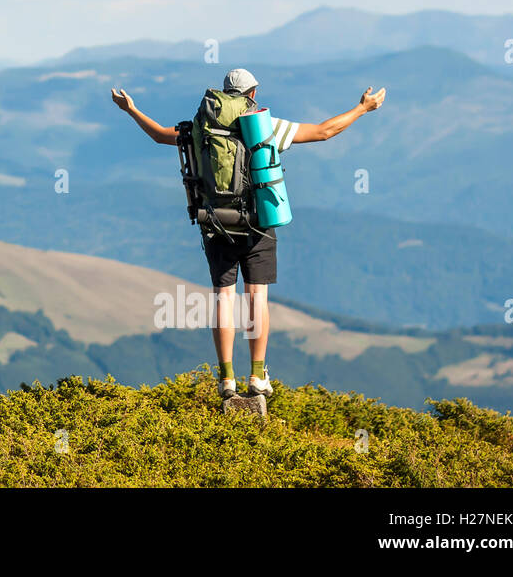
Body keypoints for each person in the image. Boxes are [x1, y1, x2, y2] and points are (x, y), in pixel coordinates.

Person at [110, 68, 386, 400]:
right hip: (257, 221)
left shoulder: (200, 126)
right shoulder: (262, 125)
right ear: (252, 94)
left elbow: (158, 135)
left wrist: (131, 110)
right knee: (256, 297)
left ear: (223, 94)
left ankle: (226, 379)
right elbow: (324, 132)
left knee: (223, 297)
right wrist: (362, 109)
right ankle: (257, 376)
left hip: (215, 222)